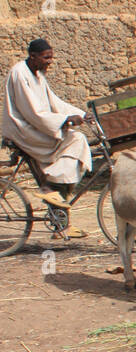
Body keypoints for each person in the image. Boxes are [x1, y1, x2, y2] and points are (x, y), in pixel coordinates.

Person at [3, 39, 93, 235]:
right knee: (75, 140)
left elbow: (55, 103)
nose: (50, 61)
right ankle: (49, 188)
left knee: (74, 147)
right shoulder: (19, 74)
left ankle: (61, 221)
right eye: (46, 58)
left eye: (51, 57)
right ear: (33, 56)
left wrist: (81, 114)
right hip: (24, 130)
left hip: (37, 127)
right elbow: (33, 113)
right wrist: (65, 120)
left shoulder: (37, 75)